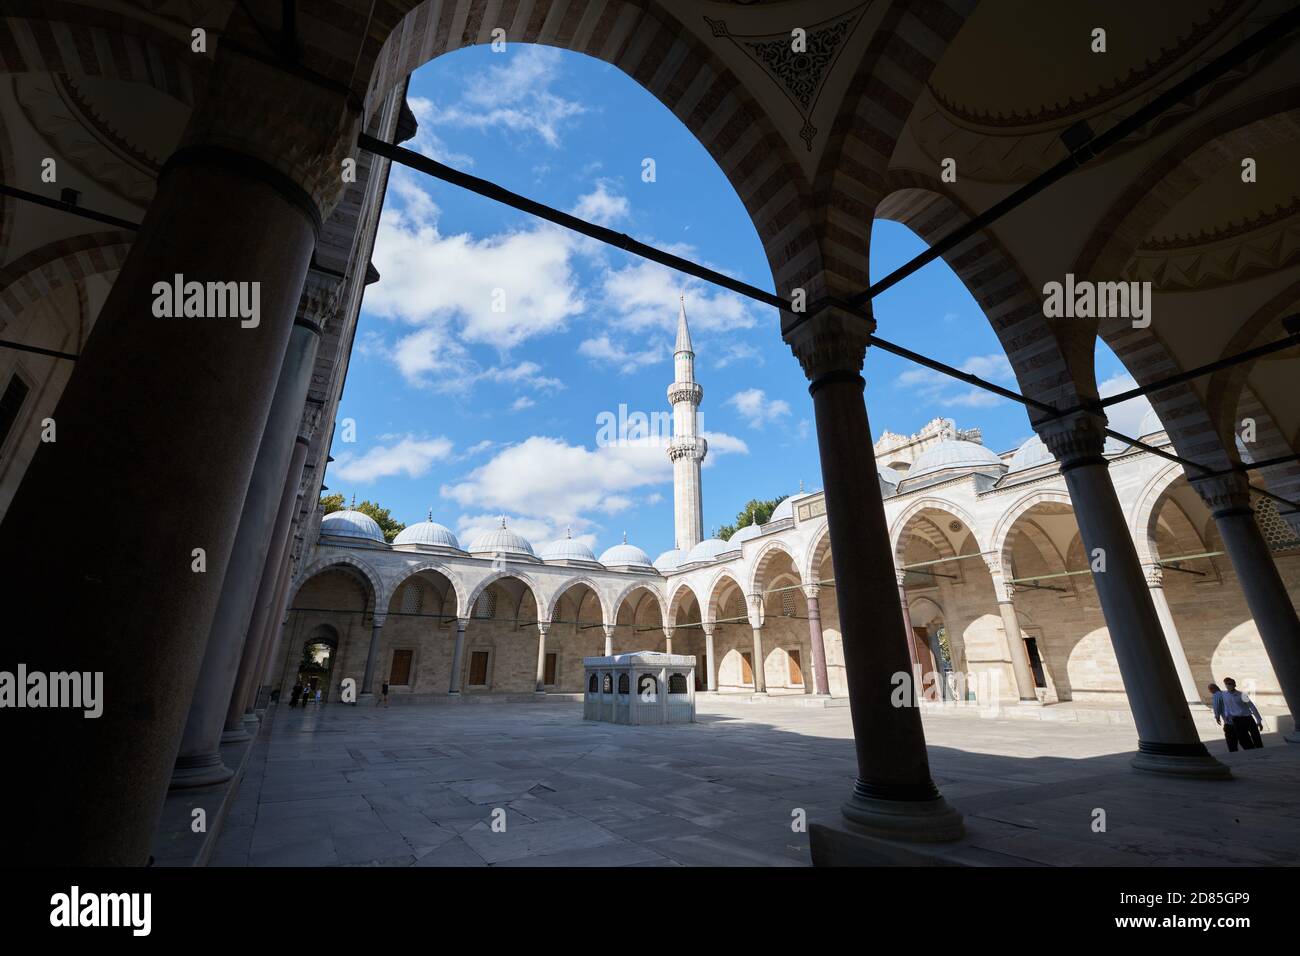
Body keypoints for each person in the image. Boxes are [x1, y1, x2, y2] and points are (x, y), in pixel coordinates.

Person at [1220, 678, 1264, 750]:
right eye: (1227, 684)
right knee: (1243, 738)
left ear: (1234, 685)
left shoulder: (1242, 695)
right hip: (1236, 719)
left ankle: (1260, 749)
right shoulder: (1225, 695)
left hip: (1247, 718)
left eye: (1230, 684)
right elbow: (1226, 706)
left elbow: (1251, 706)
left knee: (1255, 735)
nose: (1228, 686)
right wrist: (1227, 715)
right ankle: (1250, 751)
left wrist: (1258, 720)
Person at [1209, 683, 1239, 751]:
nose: (1210, 692)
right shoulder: (1225, 693)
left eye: (1210, 690)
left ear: (1212, 689)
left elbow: (1217, 707)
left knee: (1230, 739)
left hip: (1228, 721)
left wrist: (1217, 717)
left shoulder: (1216, 695)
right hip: (1236, 718)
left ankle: (1233, 751)